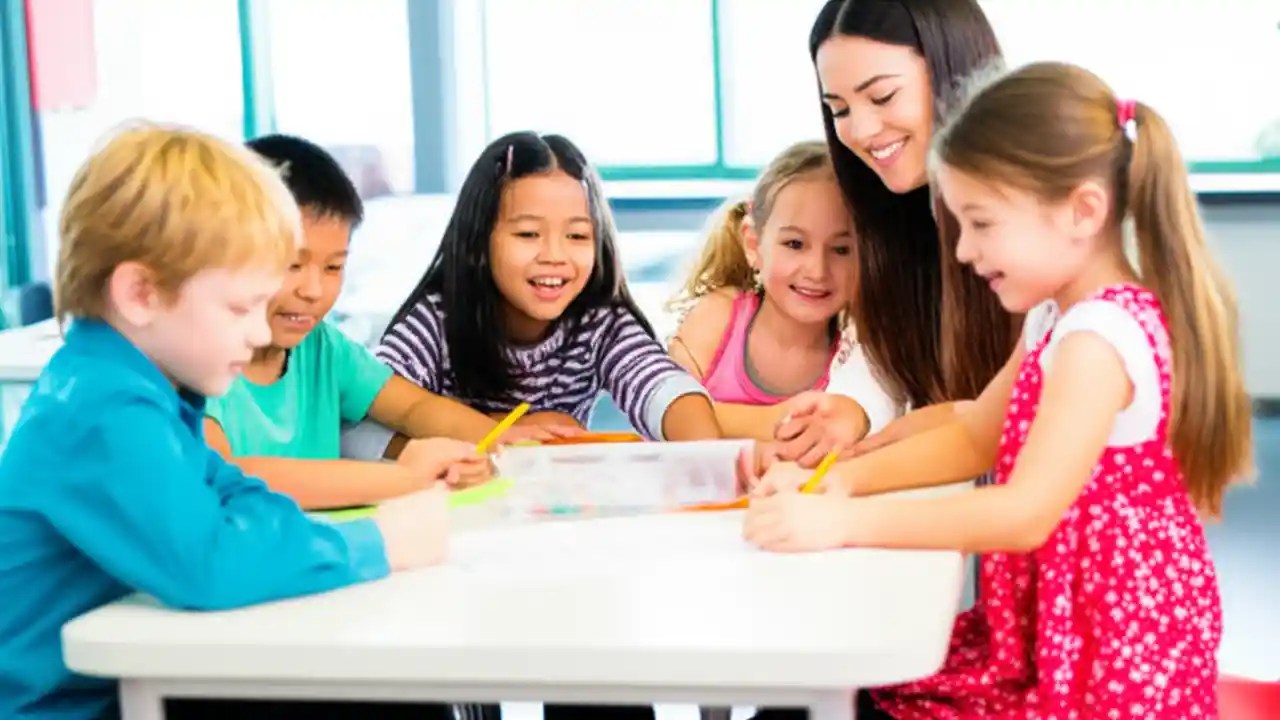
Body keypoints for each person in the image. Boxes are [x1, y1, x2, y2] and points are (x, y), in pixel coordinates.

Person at [745, 62, 1253, 718]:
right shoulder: (1057, 314)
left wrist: (841, 522)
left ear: (1081, 211)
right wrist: (839, 477)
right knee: (850, 686)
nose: (963, 252)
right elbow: (974, 430)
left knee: (856, 695)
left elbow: (1023, 513)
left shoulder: (1098, 337)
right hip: (1060, 631)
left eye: (982, 224)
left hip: (1110, 661)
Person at [0, 124, 454, 720]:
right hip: (68, 708)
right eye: (240, 308)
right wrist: (380, 543)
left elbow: (238, 494)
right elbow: (210, 563)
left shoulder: (143, 389)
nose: (262, 332)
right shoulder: (104, 409)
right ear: (140, 293)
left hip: (131, 678)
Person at [203, 134, 549, 510]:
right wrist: (405, 478)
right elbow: (227, 476)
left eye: (334, 266)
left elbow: (414, 409)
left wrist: (501, 442)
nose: (314, 290)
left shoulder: (323, 348)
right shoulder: (195, 367)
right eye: (292, 265)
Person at [359, 131, 721, 452]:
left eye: (577, 236)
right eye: (528, 234)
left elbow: (661, 385)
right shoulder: (438, 320)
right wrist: (495, 434)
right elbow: (358, 423)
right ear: (478, 243)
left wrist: (709, 454)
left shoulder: (599, 320)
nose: (554, 256)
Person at [777, 0, 1017, 462]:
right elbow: (886, 348)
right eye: (839, 109)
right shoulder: (895, 211)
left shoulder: (1043, 224)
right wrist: (850, 410)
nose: (862, 130)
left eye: (883, 97)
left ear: (954, 72)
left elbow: (1017, 419)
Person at [666, 140, 894, 463]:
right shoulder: (718, 316)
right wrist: (781, 420)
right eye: (795, 244)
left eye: (841, 249)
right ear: (753, 244)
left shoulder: (857, 352)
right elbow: (662, 411)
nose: (817, 270)